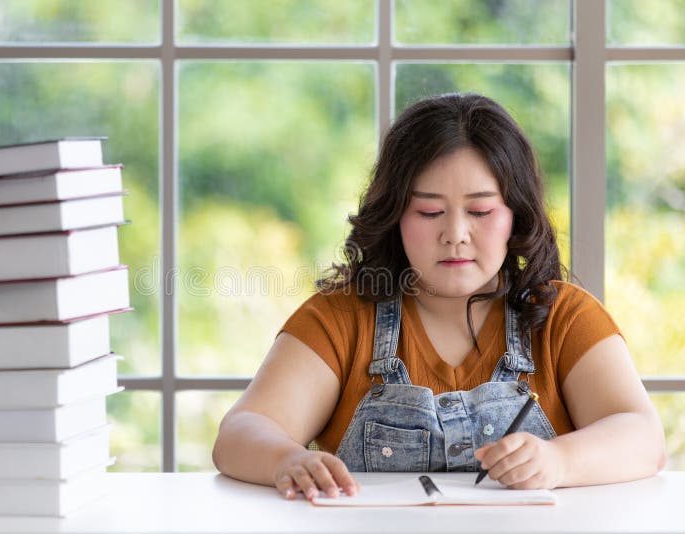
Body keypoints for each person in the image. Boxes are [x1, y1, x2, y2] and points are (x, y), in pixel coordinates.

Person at [212, 93, 666, 500]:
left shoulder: (566, 317)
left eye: (480, 211)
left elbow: (644, 437)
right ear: (394, 215)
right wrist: (285, 461)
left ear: (517, 216)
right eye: (429, 211)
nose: (455, 235)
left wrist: (561, 461)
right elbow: (239, 434)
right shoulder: (342, 317)